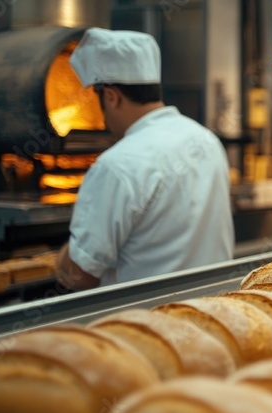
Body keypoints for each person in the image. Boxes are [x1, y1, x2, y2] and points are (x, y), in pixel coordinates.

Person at [56, 28, 234, 290]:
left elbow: (80, 275)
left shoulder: (116, 165)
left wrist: (60, 260)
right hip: (212, 316)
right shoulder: (206, 141)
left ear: (111, 97)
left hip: (146, 324)